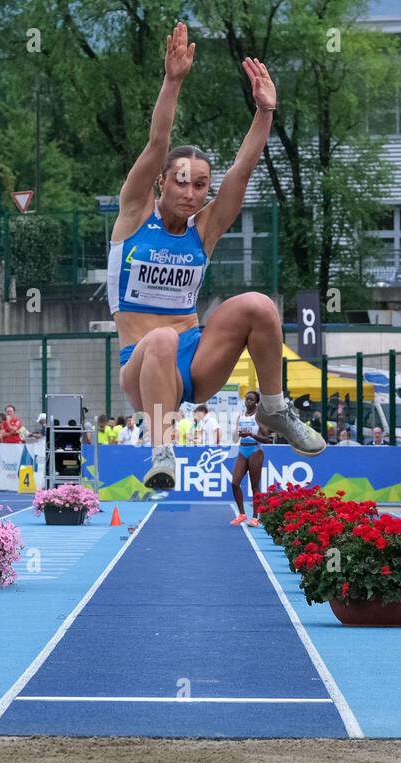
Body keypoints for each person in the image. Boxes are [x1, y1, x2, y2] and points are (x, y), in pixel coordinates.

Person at [109, 23, 324, 490]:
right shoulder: (132, 216)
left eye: (201, 184)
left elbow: (243, 172)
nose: (190, 192)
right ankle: (161, 450)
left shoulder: (202, 230)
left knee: (259, 306)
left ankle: (273, 406)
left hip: (196, 360)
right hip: (142, 364)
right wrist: (173, 81)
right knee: (163, 338)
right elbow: (157, 144)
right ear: (162, 182)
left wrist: (264, 112)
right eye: (181, 180)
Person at [229, 390, 270, 527]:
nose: (248, 402)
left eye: (251, 399)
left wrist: (252, 435)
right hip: (242, 449)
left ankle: (255, 517)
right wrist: (236, 434)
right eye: (246, 399)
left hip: (255, 450)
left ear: (257, 402)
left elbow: (267, 439)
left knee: (254, 485)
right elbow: (235, 438)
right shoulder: (240, 416)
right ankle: (242, 514)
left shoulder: (259, 418)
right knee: (234, 483)